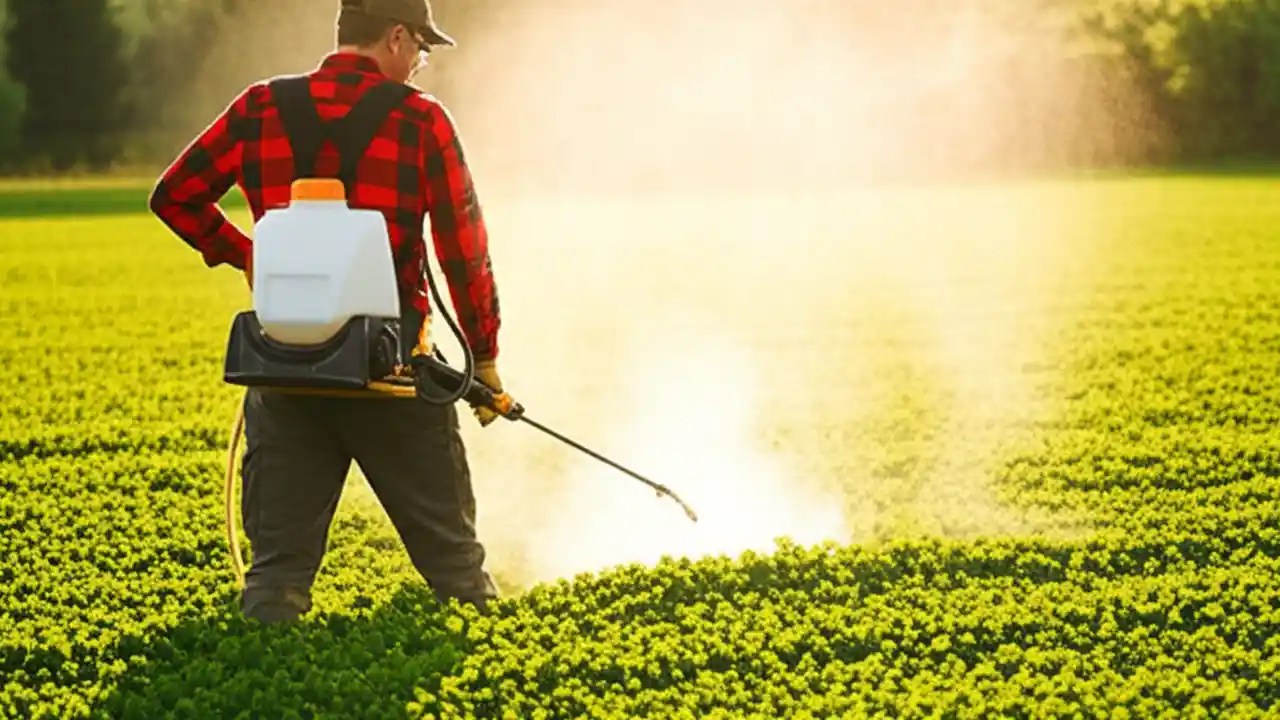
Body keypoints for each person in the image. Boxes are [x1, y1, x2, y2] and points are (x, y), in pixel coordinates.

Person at [149, 0, 507, 622]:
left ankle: (263, 661)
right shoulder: (421, 120)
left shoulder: (259, 107)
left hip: (286, 373)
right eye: (420, 49)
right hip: (394, 376)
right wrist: (484, 359)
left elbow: (174, 195)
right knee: (459, 577)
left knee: (274, 582)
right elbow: (463, 250)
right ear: (395, 37)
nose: (420, 64)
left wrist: (247, 254)